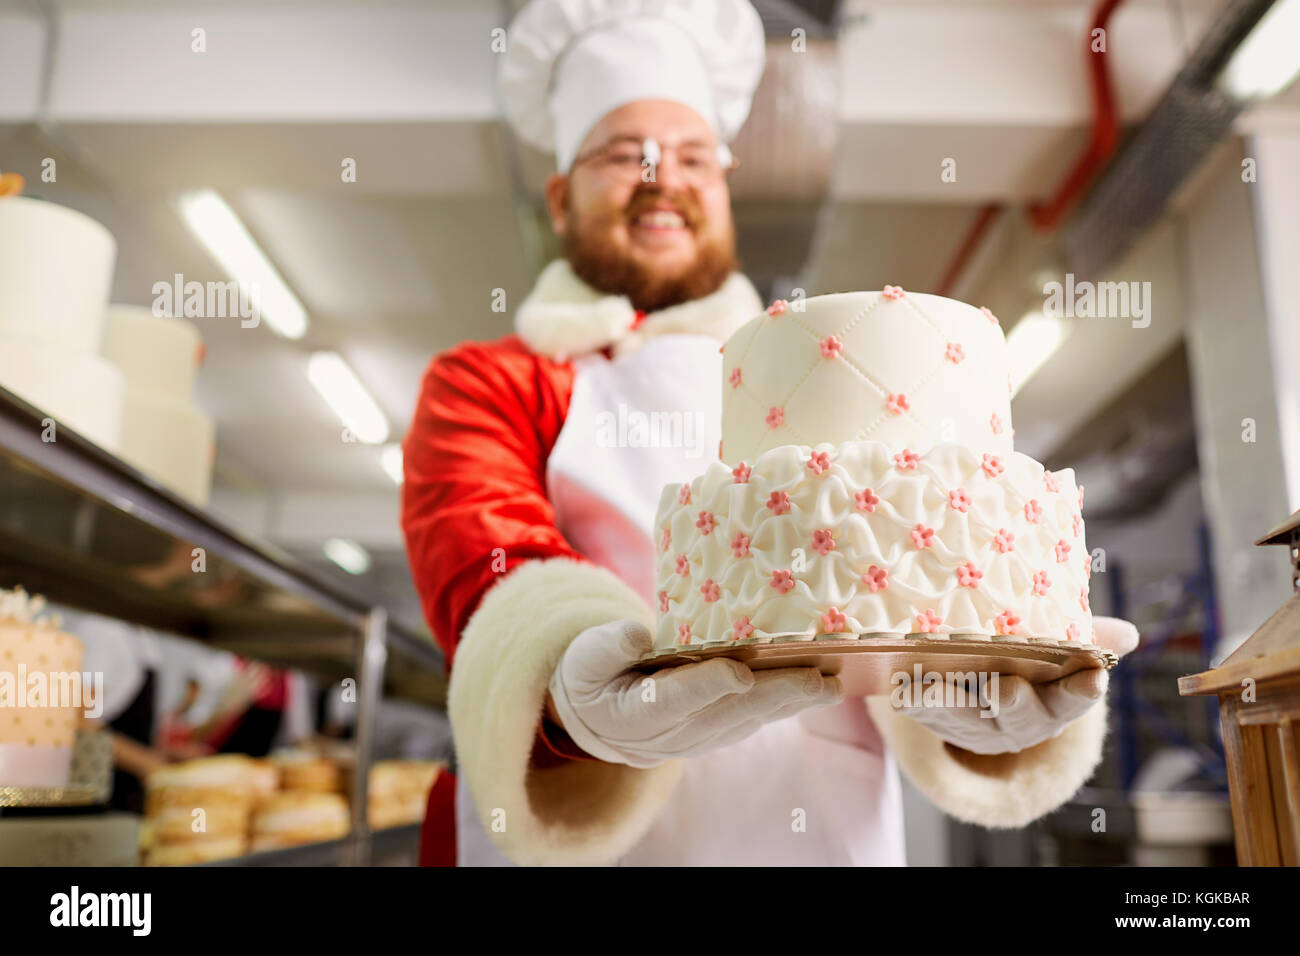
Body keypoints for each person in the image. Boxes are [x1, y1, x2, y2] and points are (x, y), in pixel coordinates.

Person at [401, 0, 1139, 866]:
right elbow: (480, 559)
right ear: (560, 198)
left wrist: (982, 702)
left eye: (690, 156)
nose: (659, 177)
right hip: (577, 826)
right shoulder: (492, 378)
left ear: (723, 183)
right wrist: (566, 689)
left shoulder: (817, 367)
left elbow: (901, 578)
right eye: (618, 152)